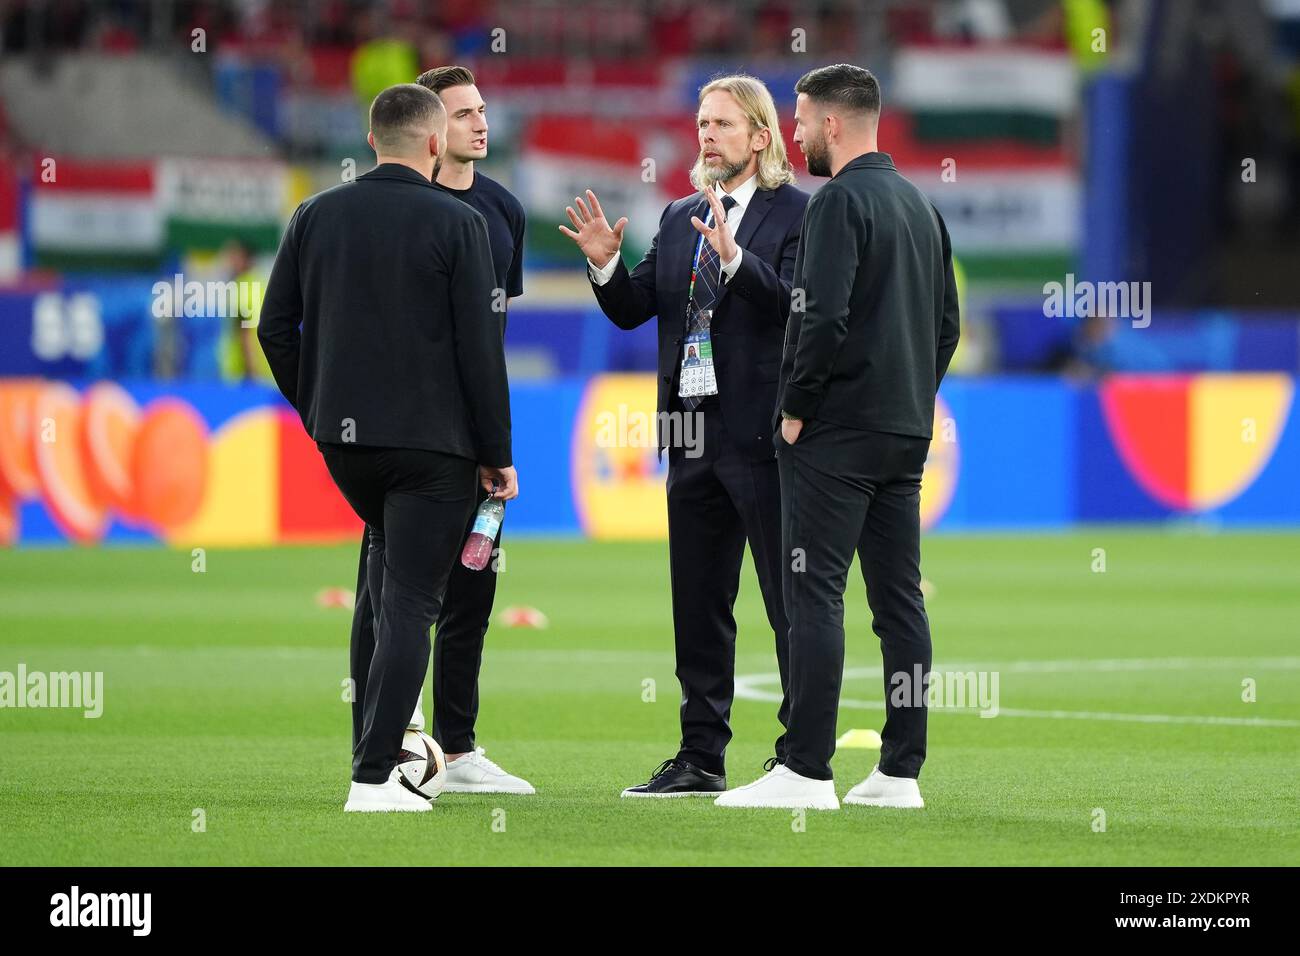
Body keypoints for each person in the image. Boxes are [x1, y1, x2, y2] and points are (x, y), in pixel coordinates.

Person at [258, 83, 517, 813]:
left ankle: (372, 754)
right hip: (435, 450)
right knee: (410, 602)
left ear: (372, 141)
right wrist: (498, 454)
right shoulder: (458, 221)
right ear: (434, 143)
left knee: (380, 583)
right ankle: (376, 778)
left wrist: (318, 408)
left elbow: (274, 329)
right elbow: (479, 353)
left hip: (348, 448)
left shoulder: (316, 213)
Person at [717, 64, 960, 811]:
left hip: (835, 432)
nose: (792, 132)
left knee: (812, 590)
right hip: (903, 433)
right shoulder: (922, 207)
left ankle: (805, 769)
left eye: (799, 118)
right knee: (899, 602)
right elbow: (947, 325)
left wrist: (795, 406)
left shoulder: (835, 206)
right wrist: (911, 397)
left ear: (831, 124)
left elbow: (817, 316)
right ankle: (899, 772)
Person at [560, 75, 809, 797]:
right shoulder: (676, 218)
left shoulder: (799, 216)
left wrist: (736, 261)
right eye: (702, 123)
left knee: (787, 600)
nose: (707, 135)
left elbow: (800, 307)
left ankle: (800, 759)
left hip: (764, 436)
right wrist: (606, 263)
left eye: (724, 124)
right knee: (698, 605)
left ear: (762, 137)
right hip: (689, 433)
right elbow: (637, 309)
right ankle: (700, 758)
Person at [343, 64, 534, 795]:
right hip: (408, 436)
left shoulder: (502, 211)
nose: (481, 124)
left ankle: (458, 749)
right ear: (429, 129)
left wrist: (495, 440)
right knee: (388, 596)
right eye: (463, 114)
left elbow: (493, 336)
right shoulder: (397, 209)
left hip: (472, 434)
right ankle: (386, 747)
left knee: (473, 589)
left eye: (484, 110)